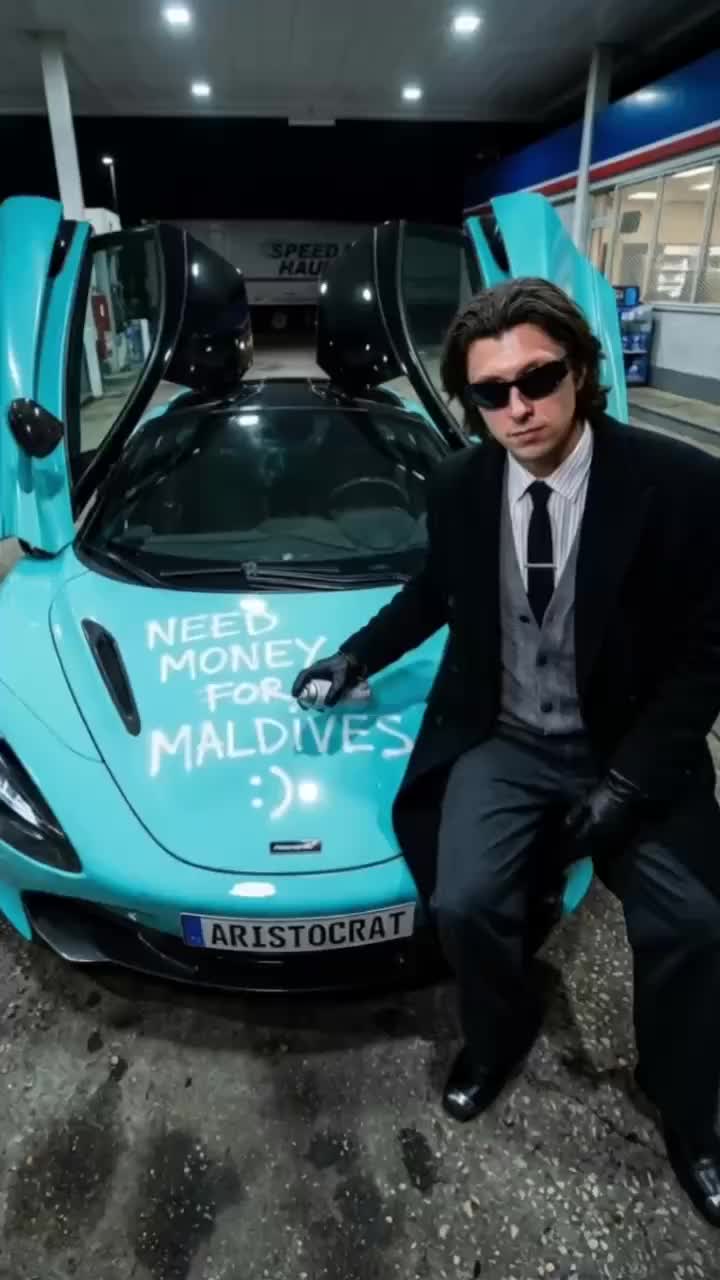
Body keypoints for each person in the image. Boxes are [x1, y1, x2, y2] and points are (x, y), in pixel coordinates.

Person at [292, 278, 720, 1225]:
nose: (518, 406)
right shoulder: (460, 485)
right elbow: (433, 592)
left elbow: (709, 654)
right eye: (492, 391)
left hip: (634, 743)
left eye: (538, 378)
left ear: (582, 372)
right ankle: (501, 1030)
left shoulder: (683, 485)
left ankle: (688, 1102)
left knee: (693, 925)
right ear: (471, 401)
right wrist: (355, 655)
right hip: (508, 736)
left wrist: (625, 785)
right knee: (463, 900)